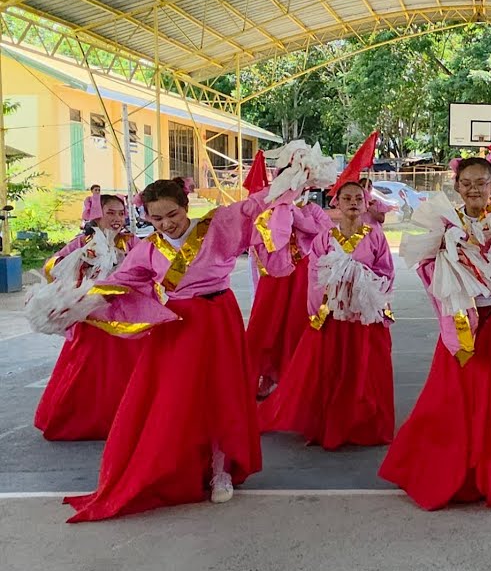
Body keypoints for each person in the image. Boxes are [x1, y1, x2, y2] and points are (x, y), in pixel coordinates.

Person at [62, 156, 323, 522]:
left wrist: (291, 181)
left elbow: (256, 204)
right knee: (175, 398)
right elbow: (120, 283)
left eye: (172, 214)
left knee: (221, 394)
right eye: (156, 218)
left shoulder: (219, 225)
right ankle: (175, 462)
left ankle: (221, 469)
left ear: (186, 206)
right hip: (176, 328)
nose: (166, 223)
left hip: (217, 320)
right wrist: (76, 301)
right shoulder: (147, 249)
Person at [382, 157, 491, 509]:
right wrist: (450, 260)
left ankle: (490, 475)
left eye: (481, 182)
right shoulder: (445, 225)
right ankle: (448, 473)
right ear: (457, 186)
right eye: (467, 183)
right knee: (450, 398)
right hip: (462, 324)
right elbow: (429, 273)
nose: (474, 189)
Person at [259, 181, 396, 450]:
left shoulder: (376, 236)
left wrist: (362, 283)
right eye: (347, 198)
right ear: (337, 203)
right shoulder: (325, 238)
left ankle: (363, 424)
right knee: (332, 370)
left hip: (363, 316)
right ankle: (329, 424)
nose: (353, 202)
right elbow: (314, 275)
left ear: (366, 204)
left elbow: (386, 272)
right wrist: (317, 309)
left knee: (364, 371)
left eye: (358, 198)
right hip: (333, 315)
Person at [33, 195, 141, 440]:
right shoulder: (82, 242)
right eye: (110, 213)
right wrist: (79, 264)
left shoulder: (131, 242)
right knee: (88, 367)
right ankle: (84, 419)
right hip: (91, 316)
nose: (117, 218)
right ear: (97, 215)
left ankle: (129, 418)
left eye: (121, 213)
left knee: (128, 367)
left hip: (126, 315)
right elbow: (52, 267)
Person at [246, 187, 330, 399]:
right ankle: (263, 374)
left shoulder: (312, 209)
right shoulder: (267, 209)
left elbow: (326, 232)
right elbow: (265, 239)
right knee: (266, 324)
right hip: (274, 275)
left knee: (296, 323)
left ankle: (293, 378)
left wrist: (298, 217)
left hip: (302, 273)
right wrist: (283, 212)